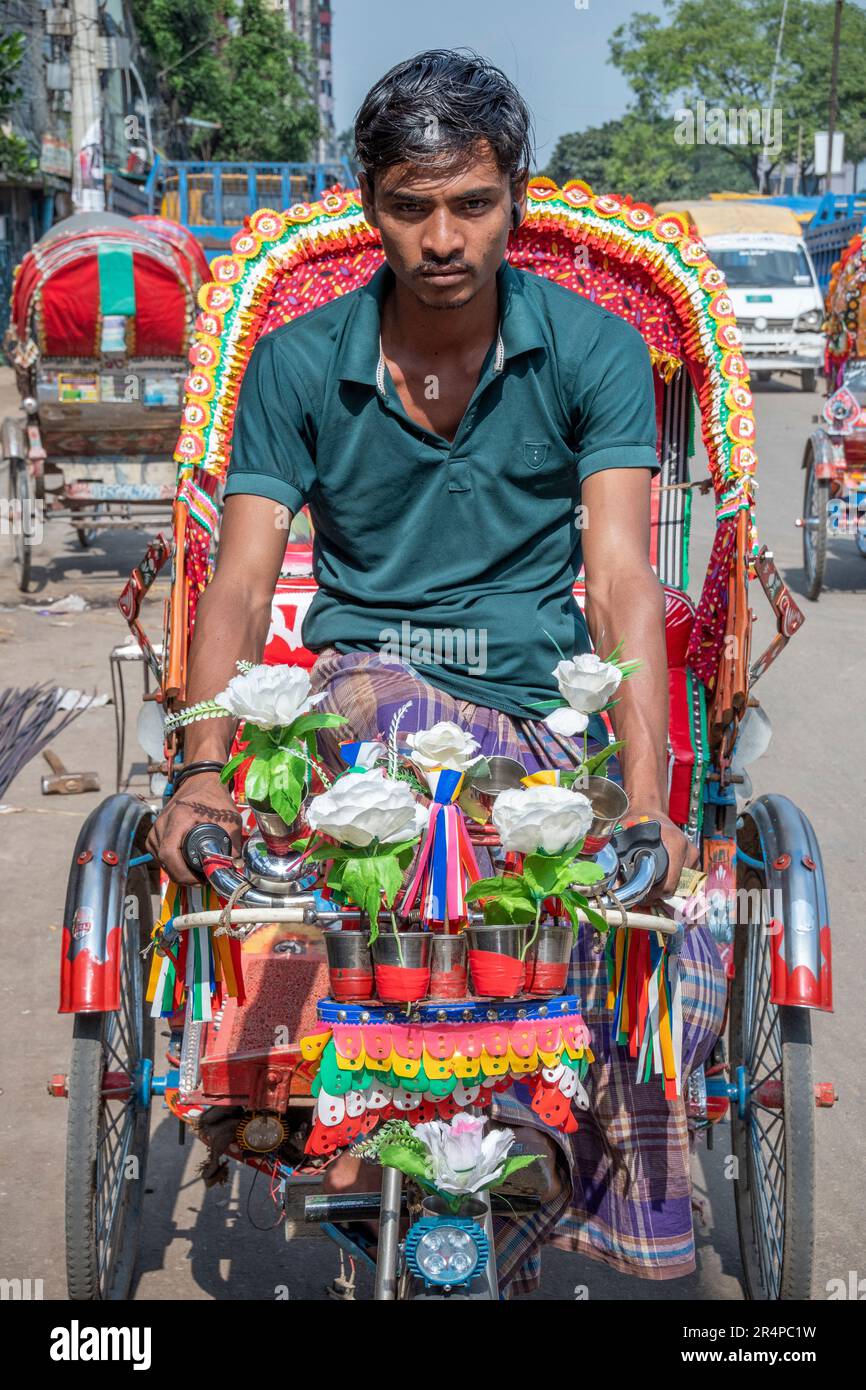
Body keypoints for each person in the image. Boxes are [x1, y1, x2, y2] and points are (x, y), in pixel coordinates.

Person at [148, 50, 725, 1295]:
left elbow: (621, 581)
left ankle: (524, 1151)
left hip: (534, 690)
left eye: (470, 202)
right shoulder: (300, 361)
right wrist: (200, 770)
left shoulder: (593, 350)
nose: (443, 236)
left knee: (629, 907)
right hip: (369, 680)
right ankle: (367, 1126)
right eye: (412, 206)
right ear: (372, 206)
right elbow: (243, 583)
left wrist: (647, 800)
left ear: (514, 196)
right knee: (406, 778)